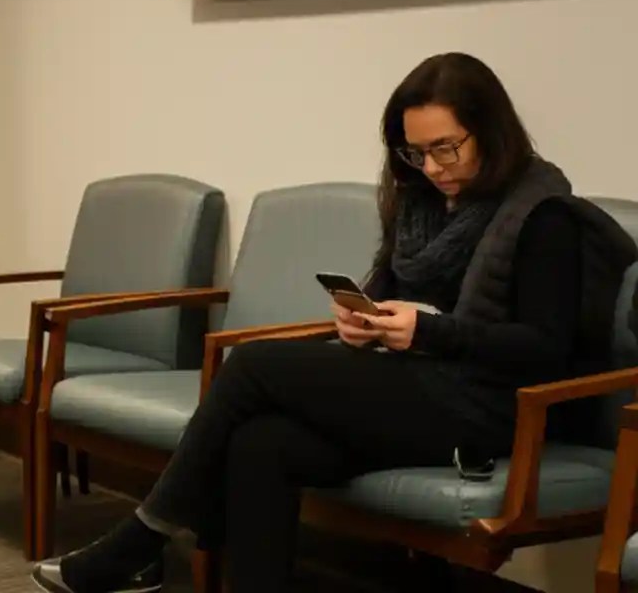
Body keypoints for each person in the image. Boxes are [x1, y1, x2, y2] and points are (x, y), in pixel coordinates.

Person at [31, 52, 635, 593]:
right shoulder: (423, 203)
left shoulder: (544, 215)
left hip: (488, 408)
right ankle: (163, 555)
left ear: (492, 132)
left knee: (254, 366)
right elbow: (389, 289)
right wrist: (363, 318)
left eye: (446, 148)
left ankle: (138, 544)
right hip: (418, 386)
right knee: (262, 443)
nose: (431, 166)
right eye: (415, 152)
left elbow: (544, 349)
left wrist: (428, 331)